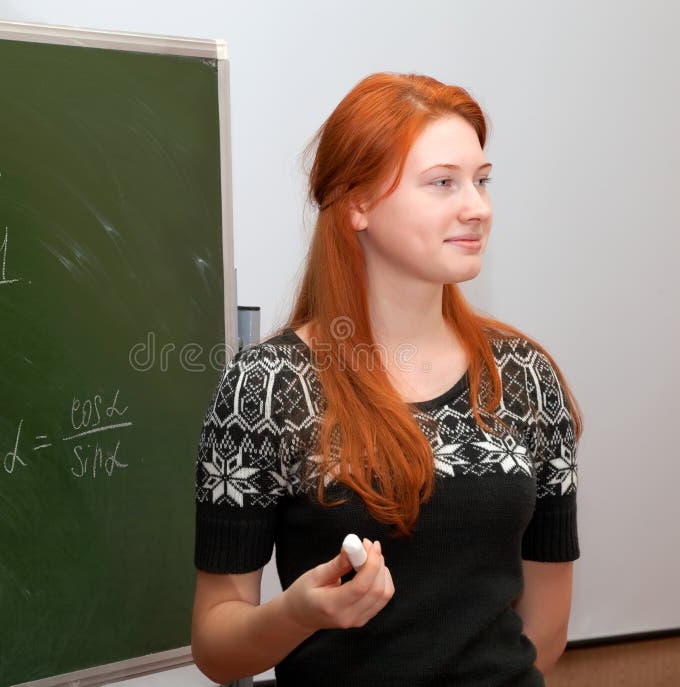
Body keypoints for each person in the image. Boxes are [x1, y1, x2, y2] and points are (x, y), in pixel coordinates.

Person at [191, 72, 583, 687]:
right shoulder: (266, 389)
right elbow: (216, 644)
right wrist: (297, 612)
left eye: (482, 180)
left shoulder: (525, 377)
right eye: (443, 183)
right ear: (358, 204)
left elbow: (547, 626)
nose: (477, 206)